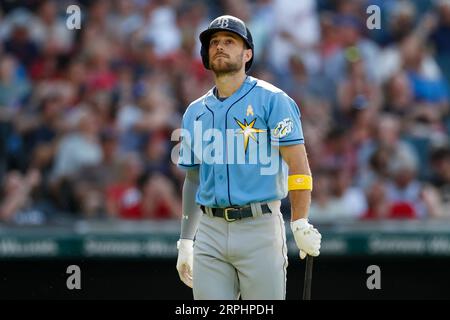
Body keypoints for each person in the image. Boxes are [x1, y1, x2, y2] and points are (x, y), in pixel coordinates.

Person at [175, 15, 321, 300]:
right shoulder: (194, 111)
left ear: (247, 53)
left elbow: (298, 165)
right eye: (214, 42)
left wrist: (299, 221)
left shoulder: (273, 99)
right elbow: (193, 179)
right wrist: (185, 239)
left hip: (260, 228)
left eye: (229, 41)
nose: (219, 46)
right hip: (210, 230)